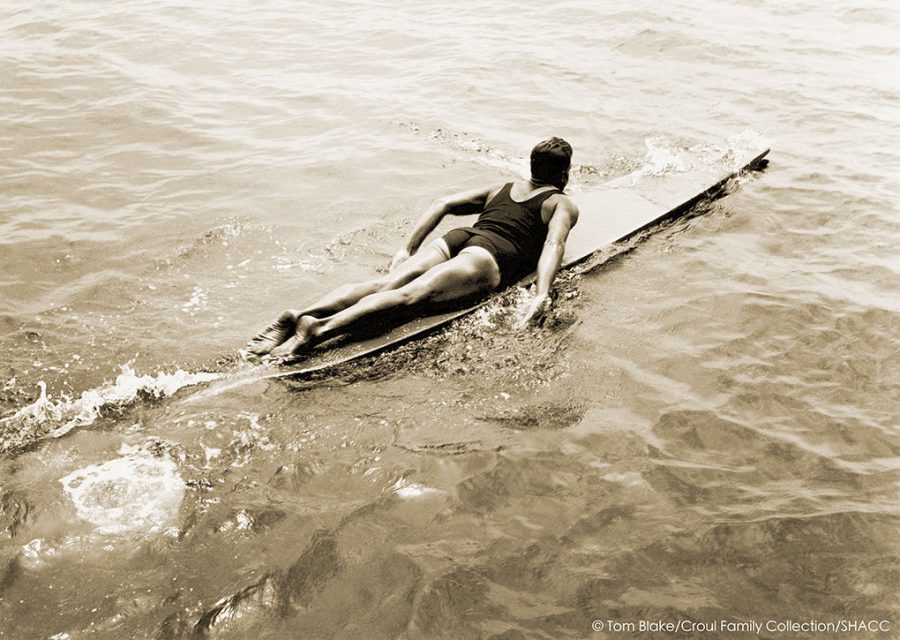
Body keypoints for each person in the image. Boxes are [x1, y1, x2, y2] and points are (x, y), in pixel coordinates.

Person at [248, 137, 580, 357]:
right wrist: (541, 294)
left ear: (531, 166)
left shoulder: (502, 187)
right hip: (486, 257)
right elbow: (554, 243)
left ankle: (302, 312)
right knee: (411, 296)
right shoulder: (561, 204)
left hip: (459, 238)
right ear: (563, 175)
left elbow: (444, 202)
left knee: (384, 284)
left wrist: (408, 249)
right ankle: (317, 329)